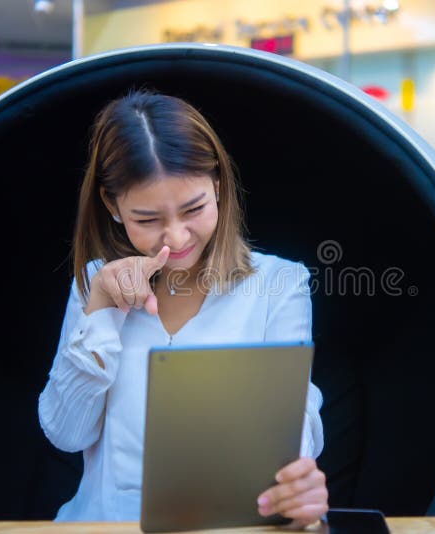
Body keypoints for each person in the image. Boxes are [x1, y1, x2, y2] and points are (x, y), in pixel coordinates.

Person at [38, 89, 327, 526]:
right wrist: (100, 309)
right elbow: (65, 433)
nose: (175, 237)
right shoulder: (95, 283)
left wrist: (297, 478)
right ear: (113, 206)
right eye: (148, 220)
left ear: (217, 186)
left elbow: (295, 418)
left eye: (193, 209)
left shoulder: (278, 283)